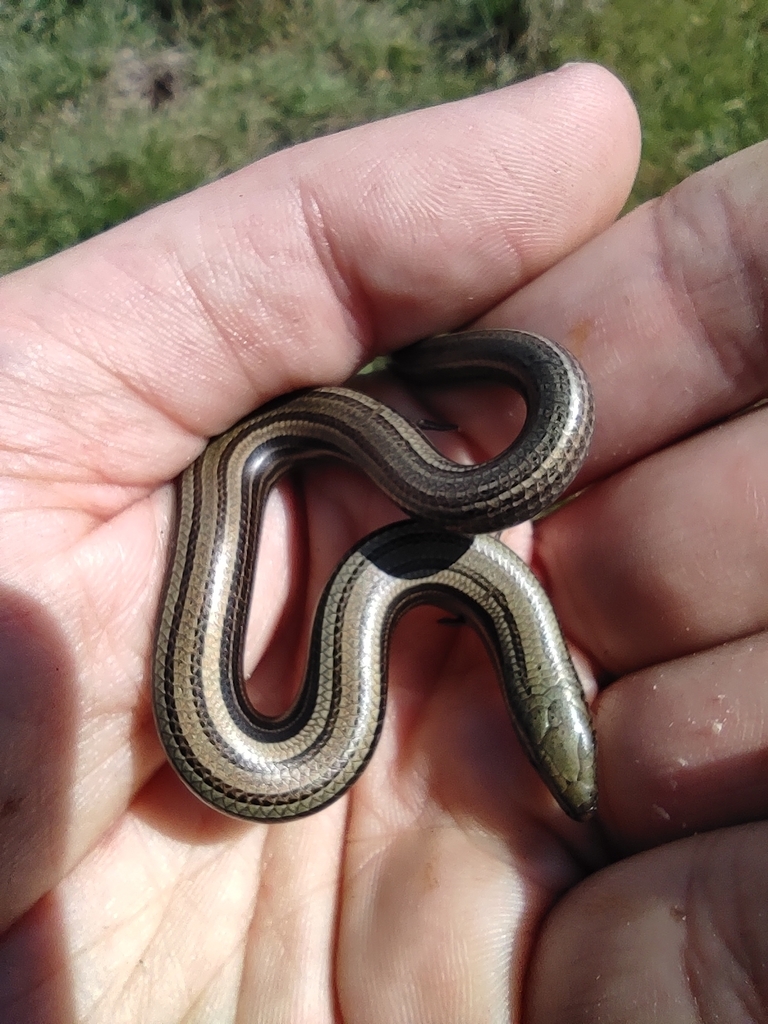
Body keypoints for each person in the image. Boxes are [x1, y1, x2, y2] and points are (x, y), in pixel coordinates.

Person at [1, 62, 765, 1023]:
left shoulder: (432, 571)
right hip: (269, 485)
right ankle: (426, 369)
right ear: (548, 695)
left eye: (561, 774)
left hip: (285, 523)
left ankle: (430, 368)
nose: (565, 786)